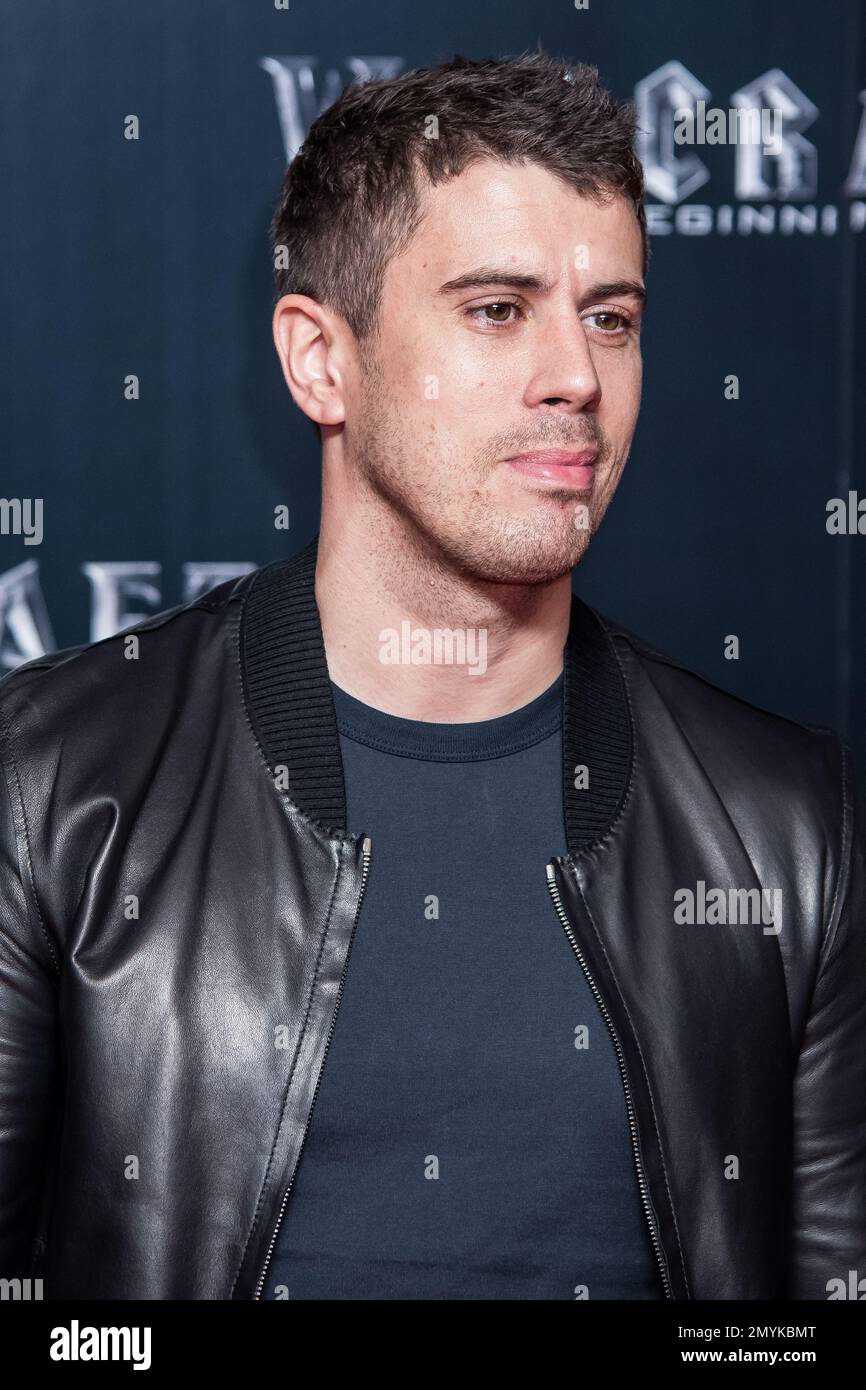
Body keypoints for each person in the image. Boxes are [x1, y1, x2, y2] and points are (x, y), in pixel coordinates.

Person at [0, 52, 863, 1301]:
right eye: (498, 308)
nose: (577, 376)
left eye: (610, 318)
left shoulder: (789, 827)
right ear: (320, 362)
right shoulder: (51, 787)